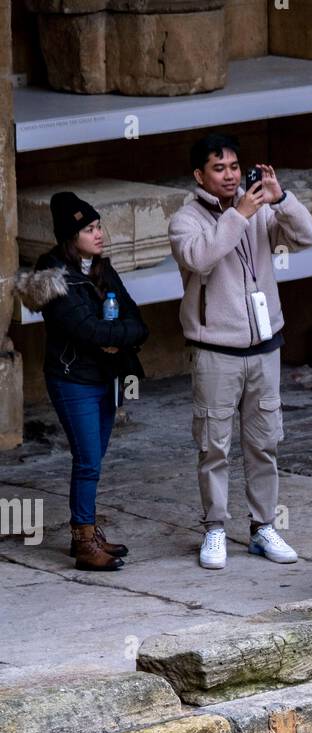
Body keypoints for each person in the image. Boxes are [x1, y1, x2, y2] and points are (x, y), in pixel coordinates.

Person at [168, 131, 312, 570]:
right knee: (214, 444)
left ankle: (263, 527)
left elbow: (307, 236)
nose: (231, 175)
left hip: (265, 344)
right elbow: (201, 258)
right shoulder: (186, 219)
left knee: (264, 441)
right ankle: (215, 527)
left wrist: (282, 198)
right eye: (219, 168)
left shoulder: (259, 210)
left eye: (235, 167)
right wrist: (238, 214)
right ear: (200, 175)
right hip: (215, 348)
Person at [14, 191, 149, 571]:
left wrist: (115, 337)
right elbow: (88, 332)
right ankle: (83, 539)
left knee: (96, 457)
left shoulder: (101, 268)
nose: (98, 233)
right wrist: (113, 335)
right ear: (70, 236)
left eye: (98, 225)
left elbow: (139, 322)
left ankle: (87, 533)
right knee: (88, 459)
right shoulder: (53, 279)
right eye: (89, 229)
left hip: (106, 377)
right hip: (73, 380)